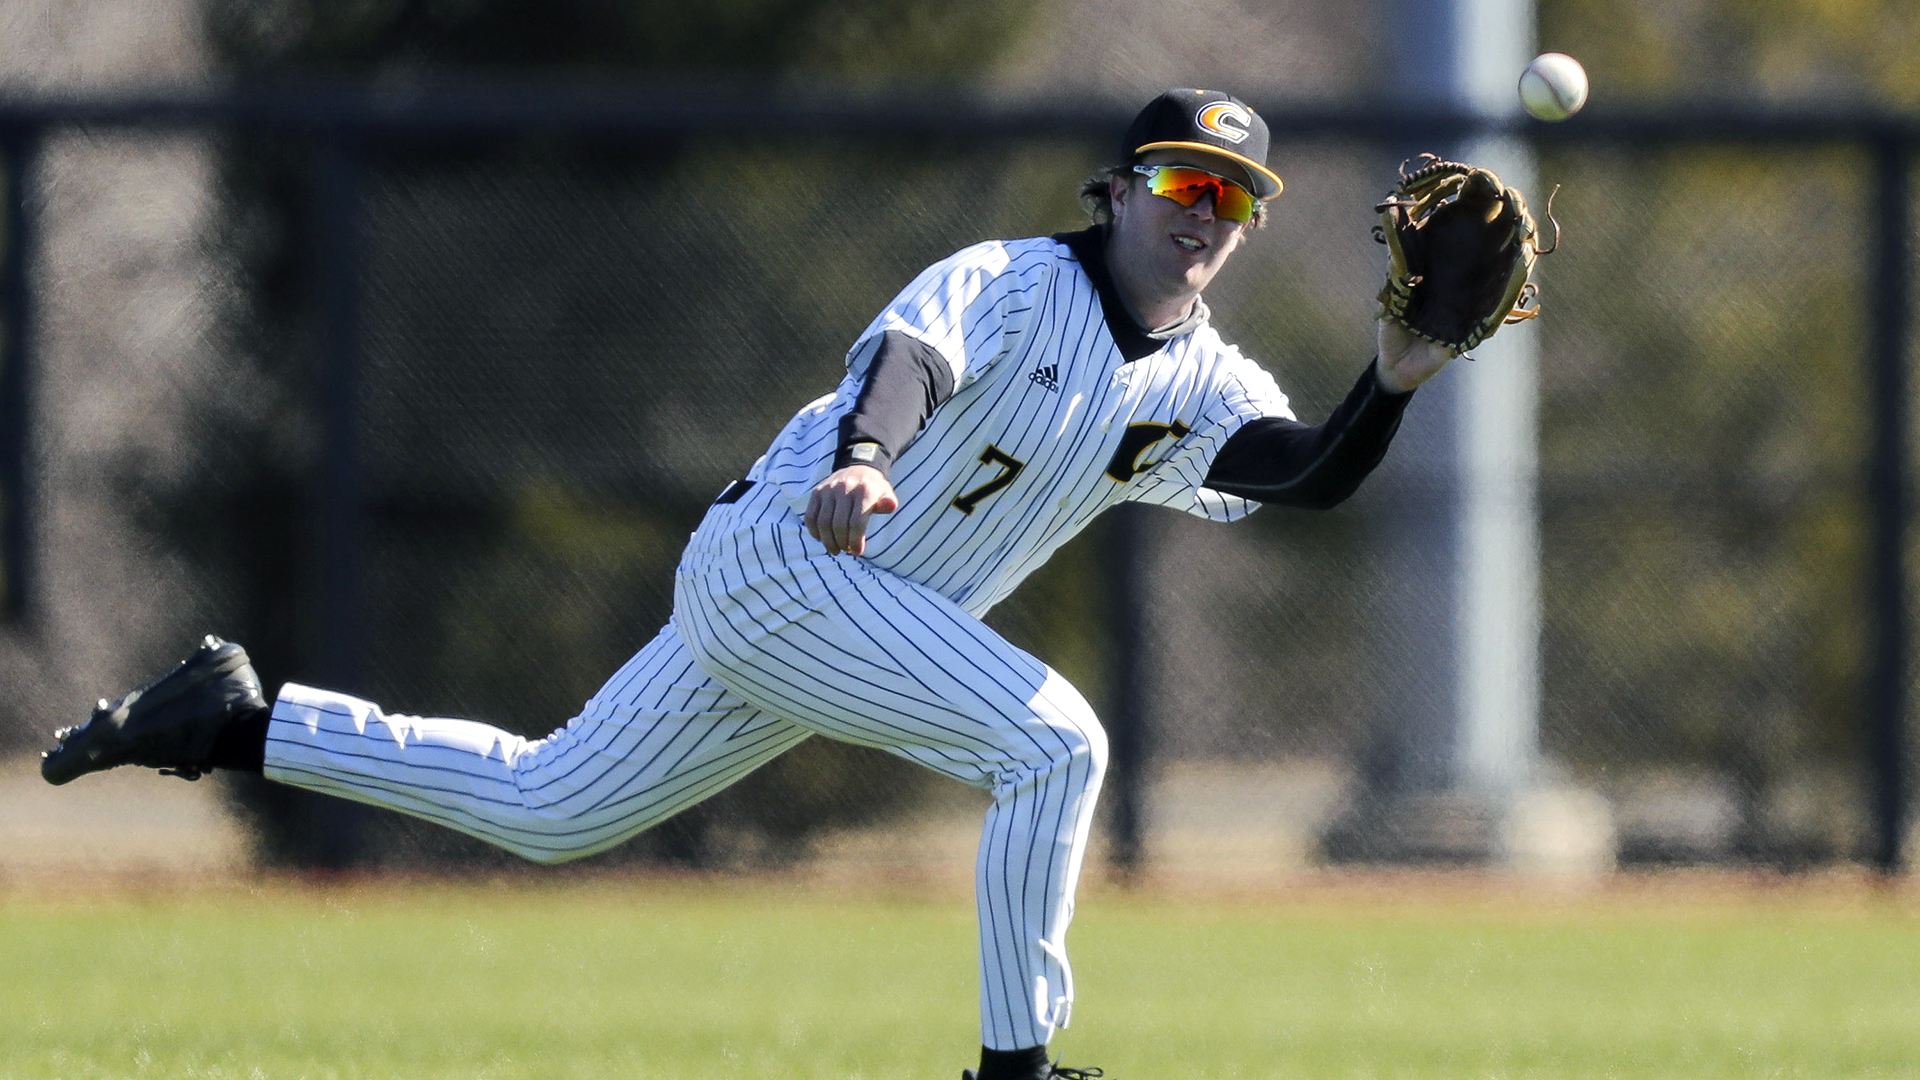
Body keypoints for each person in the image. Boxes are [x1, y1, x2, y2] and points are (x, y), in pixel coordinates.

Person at [42, 88, 1455, 1080]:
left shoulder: (1209, 378)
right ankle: (1016, 1067)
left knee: (549, 807)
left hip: (836, 620)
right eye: (1181, 180)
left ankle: (232, 721)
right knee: (1059, 743)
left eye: (1235, 199)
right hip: (794, 559)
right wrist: (864, 455)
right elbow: (910, 357)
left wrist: (1391, 380)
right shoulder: (1018, 278)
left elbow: (1305, 468)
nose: (1204, 214)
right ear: (1124, 186)